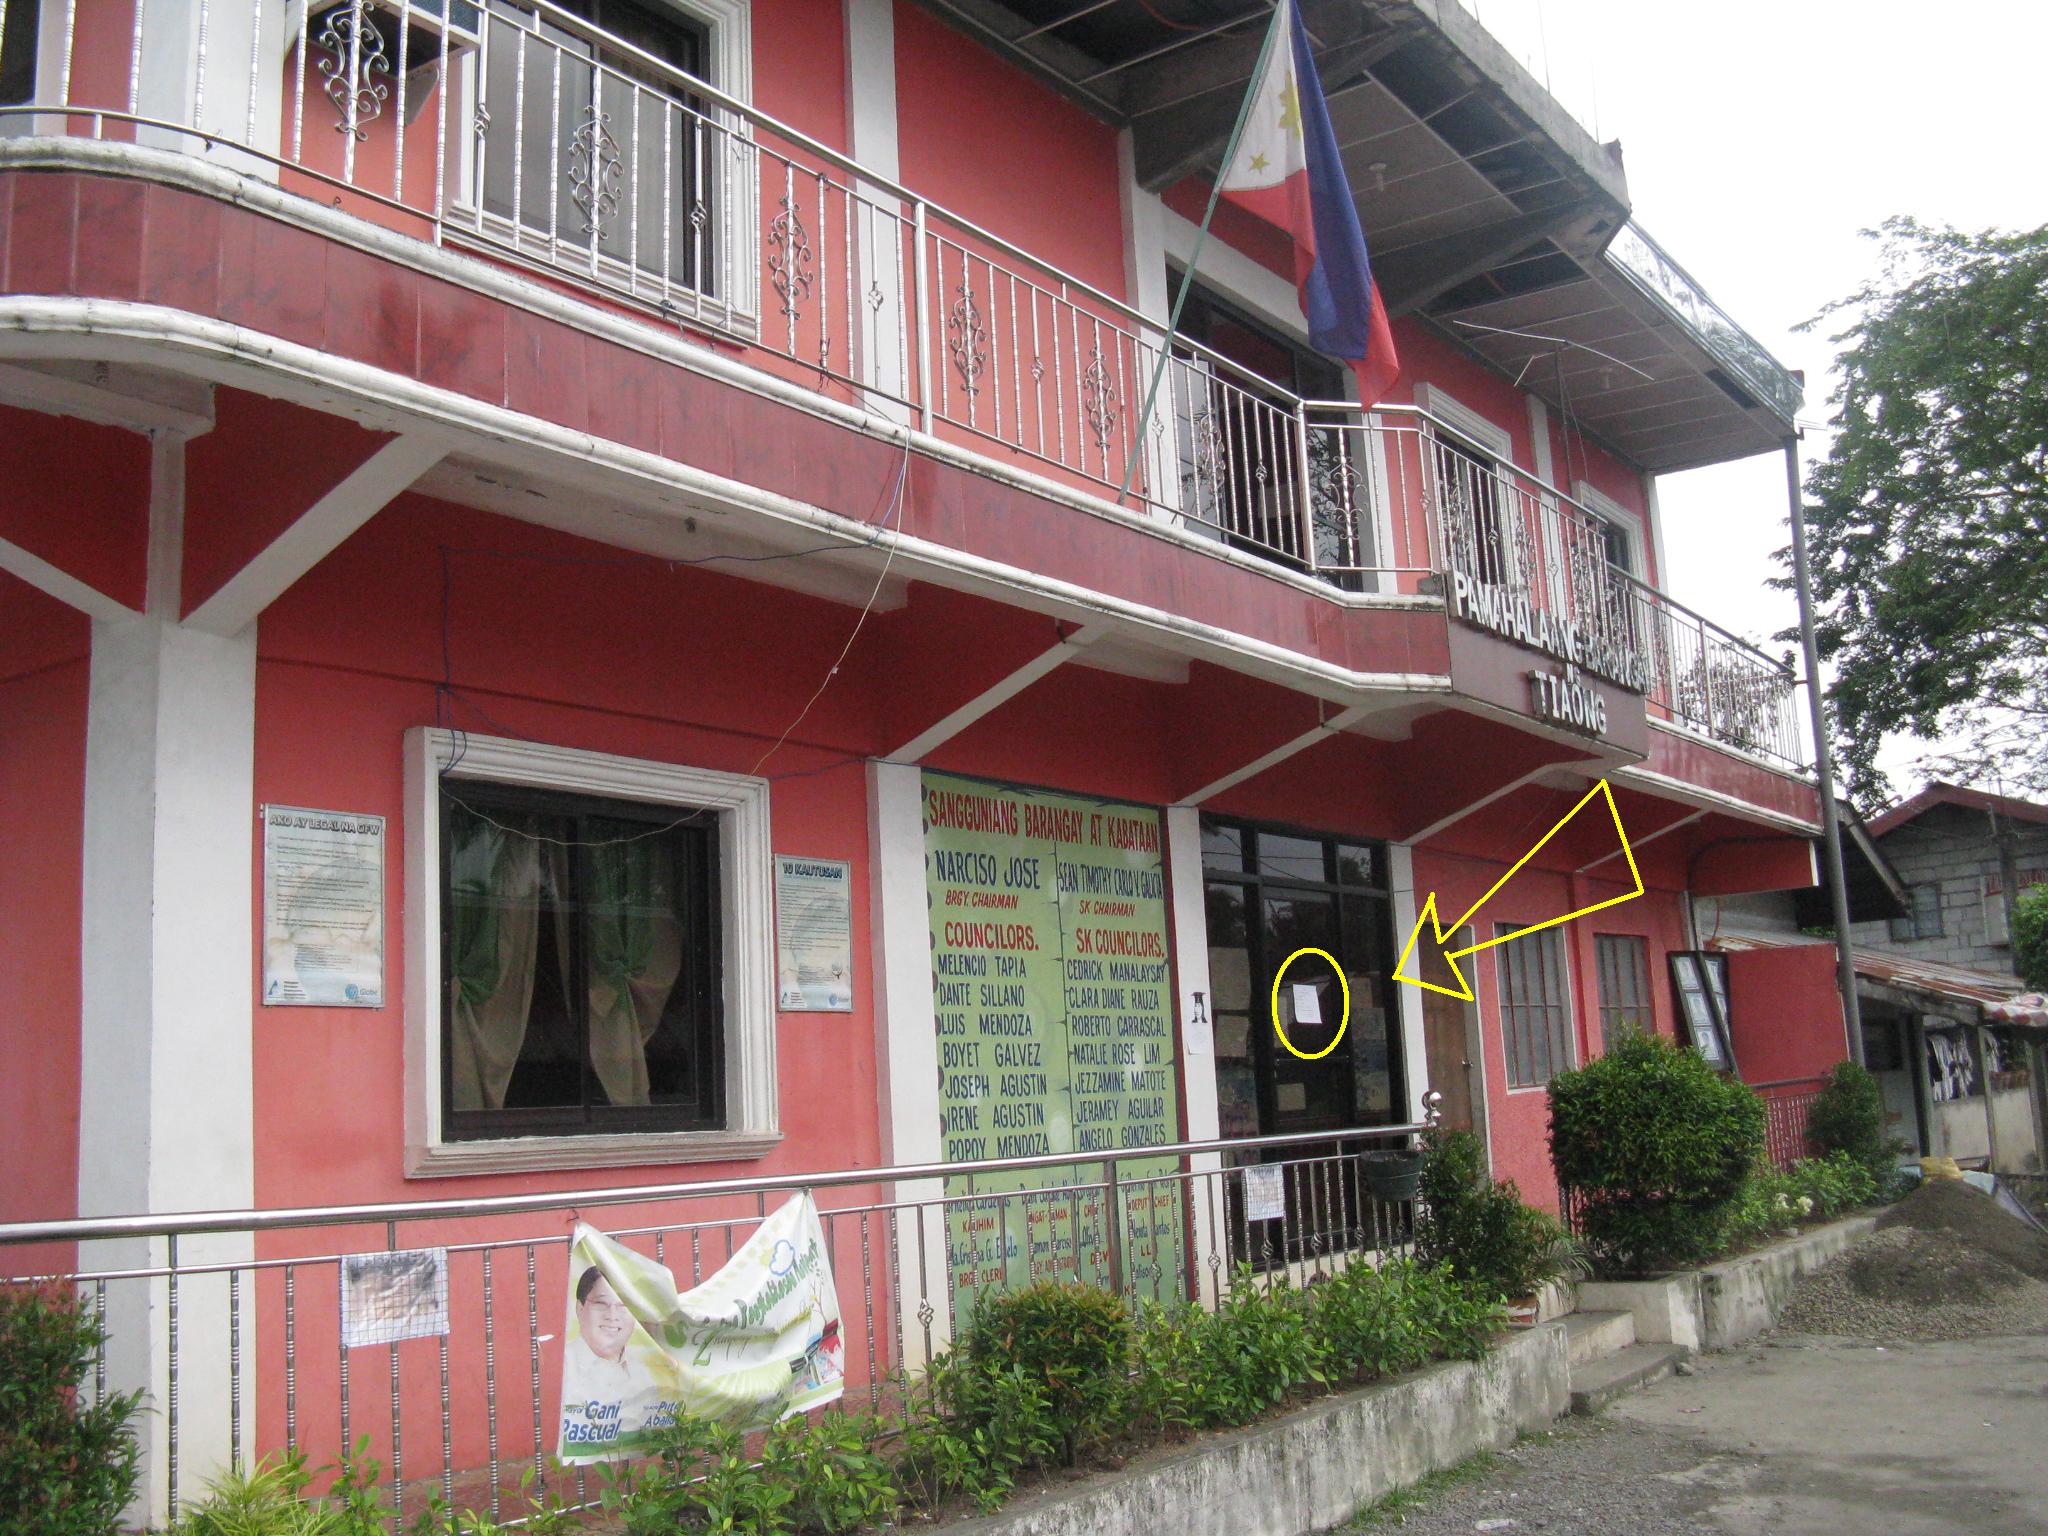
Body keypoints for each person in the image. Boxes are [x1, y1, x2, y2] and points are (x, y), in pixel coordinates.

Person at [559, 1266, 663, 1450]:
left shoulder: (642, 1373)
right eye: (601, 1304)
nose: (612, 1316)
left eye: (623, 1306)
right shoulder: (565, 1367)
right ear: (580, 1308)